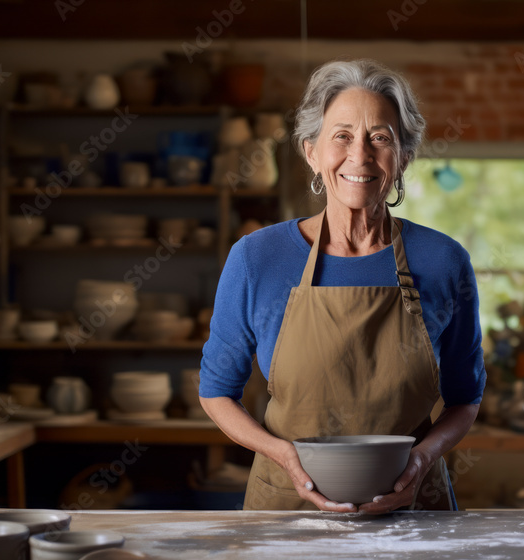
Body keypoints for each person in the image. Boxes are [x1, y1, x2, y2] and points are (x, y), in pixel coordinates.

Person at [199, 59, 484, 514]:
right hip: (288, 510)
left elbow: (465, 399)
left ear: (404, 156)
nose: (361, 155)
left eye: (381, 138)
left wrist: (422, 459)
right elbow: (215, 392)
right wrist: (284, 455)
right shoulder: (257, 258)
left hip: (409, 508)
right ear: (312, 152)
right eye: (342, 136)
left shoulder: (444, 262)